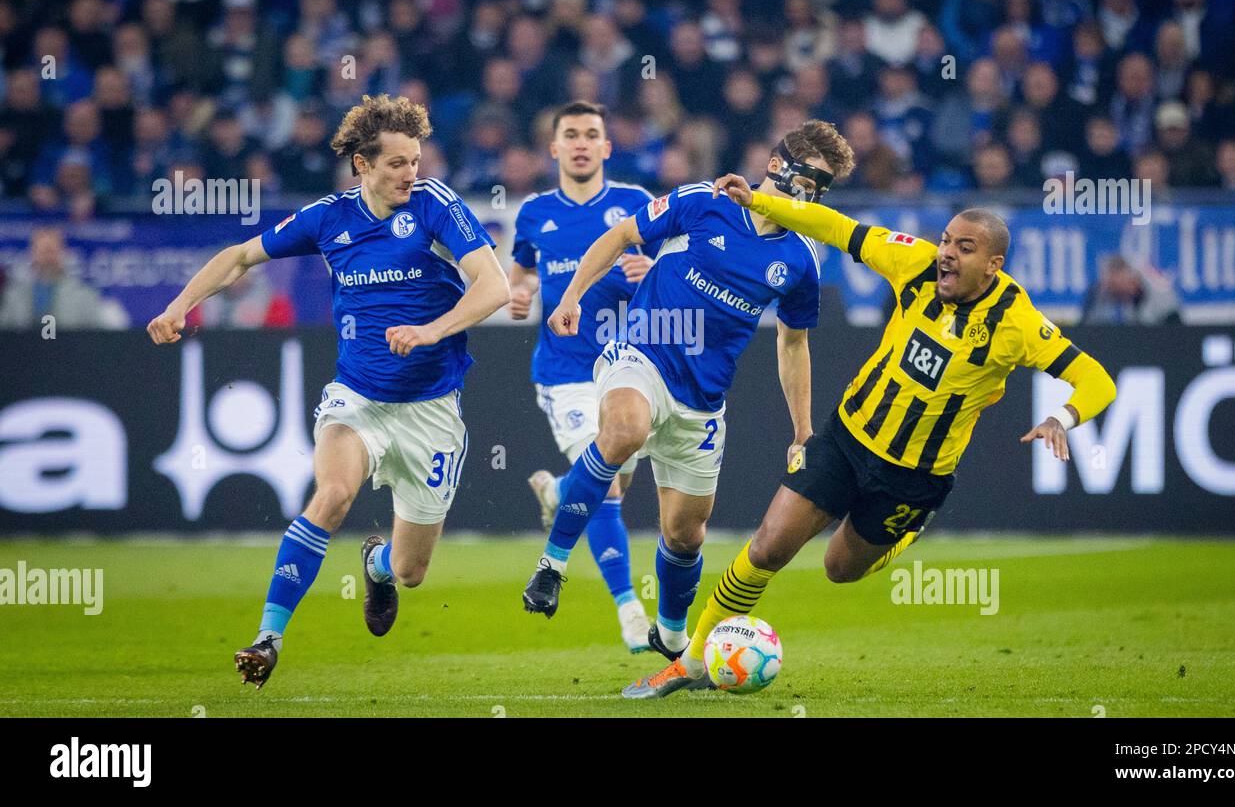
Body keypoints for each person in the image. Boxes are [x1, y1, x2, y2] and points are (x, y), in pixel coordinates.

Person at [624, 176, 1117, 697]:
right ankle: (691, 663)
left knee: (840, 569)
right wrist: (760, 201)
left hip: (913, 477)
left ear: (994, 265)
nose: (947, 254)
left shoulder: (1016, 323)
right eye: (947, 240)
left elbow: (1095, 379)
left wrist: (1063, 418)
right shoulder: (914, 263)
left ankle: (907, 527)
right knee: (768, 547)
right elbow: (837, 227)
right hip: (846, 439)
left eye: (964, 248)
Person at [147, 94, 510, 688]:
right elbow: (240, 257)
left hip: (431, 407)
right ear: (361, 166)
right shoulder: (328, 218)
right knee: (334, 492)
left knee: (412, 571)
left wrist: (429, 331)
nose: (410, 174)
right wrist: (179, 305)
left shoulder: (435, 205)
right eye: (396, 163)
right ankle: (268, 636)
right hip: (357, 396)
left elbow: (492, 286)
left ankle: (377, 564)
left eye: (414, 160)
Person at [520, 120, 855, 666]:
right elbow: (621, 236)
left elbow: (794, 345)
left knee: (685, 535)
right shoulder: (705, 201)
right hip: (641, 353)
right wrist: (573, 296)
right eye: (810, 179)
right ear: (777, 167)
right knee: (623, 431)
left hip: (701, 401)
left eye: (824, 188)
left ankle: (672, 638)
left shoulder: (799, 260)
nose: (814, 195)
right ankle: (552, 566)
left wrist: (802, 431)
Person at [508, 101, 657, 652]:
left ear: (606, 147)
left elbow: (679, 266)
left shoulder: (635, 205)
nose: (580, 143)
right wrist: (519, 291)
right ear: (554, 148)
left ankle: (558, 493)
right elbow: (520, 267)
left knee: (598, 483)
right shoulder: (533, 211)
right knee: (610, 484)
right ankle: (629, 609)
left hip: (628, 368)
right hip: (564, 371)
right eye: (569, 134)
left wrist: (654, 268)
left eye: (591, 134)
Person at [0, 227, 128, 330]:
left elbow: (98, 335)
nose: (47, 258)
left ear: (63, 253)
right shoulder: (13, 294)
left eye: (51, 251)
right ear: (32, 253)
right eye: (42, 251)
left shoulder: (83, 294)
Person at [1082, 253, 1180, 325]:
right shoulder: (1100, 294)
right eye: (1111, 285)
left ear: (1132, 280)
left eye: (1117, 285)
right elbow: (1088, 325)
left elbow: (1173, 331)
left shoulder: (1160, 295)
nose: (1114, 290)